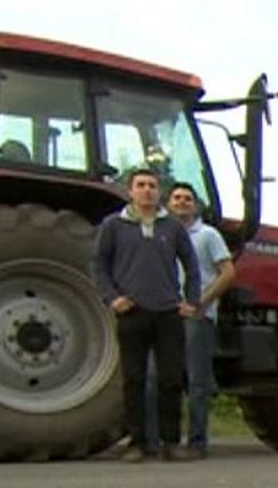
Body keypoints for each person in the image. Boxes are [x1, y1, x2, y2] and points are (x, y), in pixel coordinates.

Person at [91, 168, 200, 463]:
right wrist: (112, 298)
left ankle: (171, 442)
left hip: (168, 312)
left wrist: (191, 301)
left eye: (152, 185)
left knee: (171, 379)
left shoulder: (172, 226)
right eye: (140, 185)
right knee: (134, 380)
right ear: (130, 191)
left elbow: (191, 264)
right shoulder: (114, 225)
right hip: (132, 311)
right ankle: (137, 443)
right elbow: (99, 264)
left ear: (159, 191)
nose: (147, 190)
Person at [144, 183, 236, 459]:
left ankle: (197, 442)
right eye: (177, 198)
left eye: (187, 198)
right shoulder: (158, 233)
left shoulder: (208, 235)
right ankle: (153, 441)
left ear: (195, 205)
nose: (182, 202)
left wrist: (200, 303)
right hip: (163, 314)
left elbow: (228, 273)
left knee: (197, 381)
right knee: (154, 378)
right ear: (168, 203)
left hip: (196, 317)